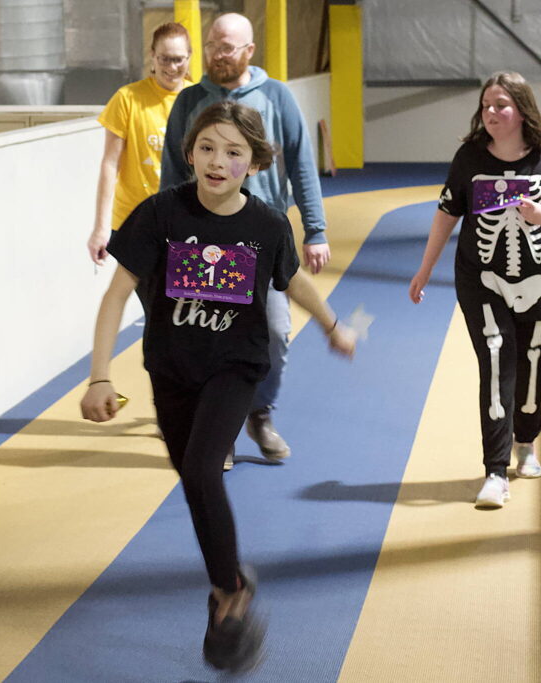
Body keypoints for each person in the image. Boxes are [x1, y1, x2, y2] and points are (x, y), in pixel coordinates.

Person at [81, 100, 356, 671]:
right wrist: (100, 375)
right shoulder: (160, 214)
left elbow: (292, 281)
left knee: (204, 470)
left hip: (236, 367)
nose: (216, 161)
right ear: (189, 153)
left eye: (233, 152)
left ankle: (229, 595)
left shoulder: (266, 225)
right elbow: (116, 293)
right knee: (193, 479)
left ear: (253, 164)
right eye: (206, 147)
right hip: (171, 370)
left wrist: (332, 326)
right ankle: (227, 581)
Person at [408, 72, 541, 509]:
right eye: (486, 105)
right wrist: (425, 269)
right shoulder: (469, 158)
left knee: (531, 360)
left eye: (501, 105)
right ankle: (495, 469)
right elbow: (447, 213)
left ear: (522, 110)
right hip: (481, 279)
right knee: (495, 361)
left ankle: (527, 442)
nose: (491, 112)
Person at [161, 12, 329, 468]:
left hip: (262, 243)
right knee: (208, 341)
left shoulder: (277, 97)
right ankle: (221, 431)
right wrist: (167, 238)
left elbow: (302, 164)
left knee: (273, 332)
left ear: (249, 51)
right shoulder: (190, 101)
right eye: (212, 45)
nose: (217, 54)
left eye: (227, 47)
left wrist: (315, 230)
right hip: (203, 244)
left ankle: (259, 411)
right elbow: (171, 173)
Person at [88, 22, 192, 265]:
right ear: (152, 56)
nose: (172, 67)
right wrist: (100, 227)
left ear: (189, 57)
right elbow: (110, 164)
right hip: (135, 222)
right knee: (143, 288)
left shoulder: (198, 98)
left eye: (178, 59)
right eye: (165, 59)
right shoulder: (127, 99)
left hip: (187, 223)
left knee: (184, 289)